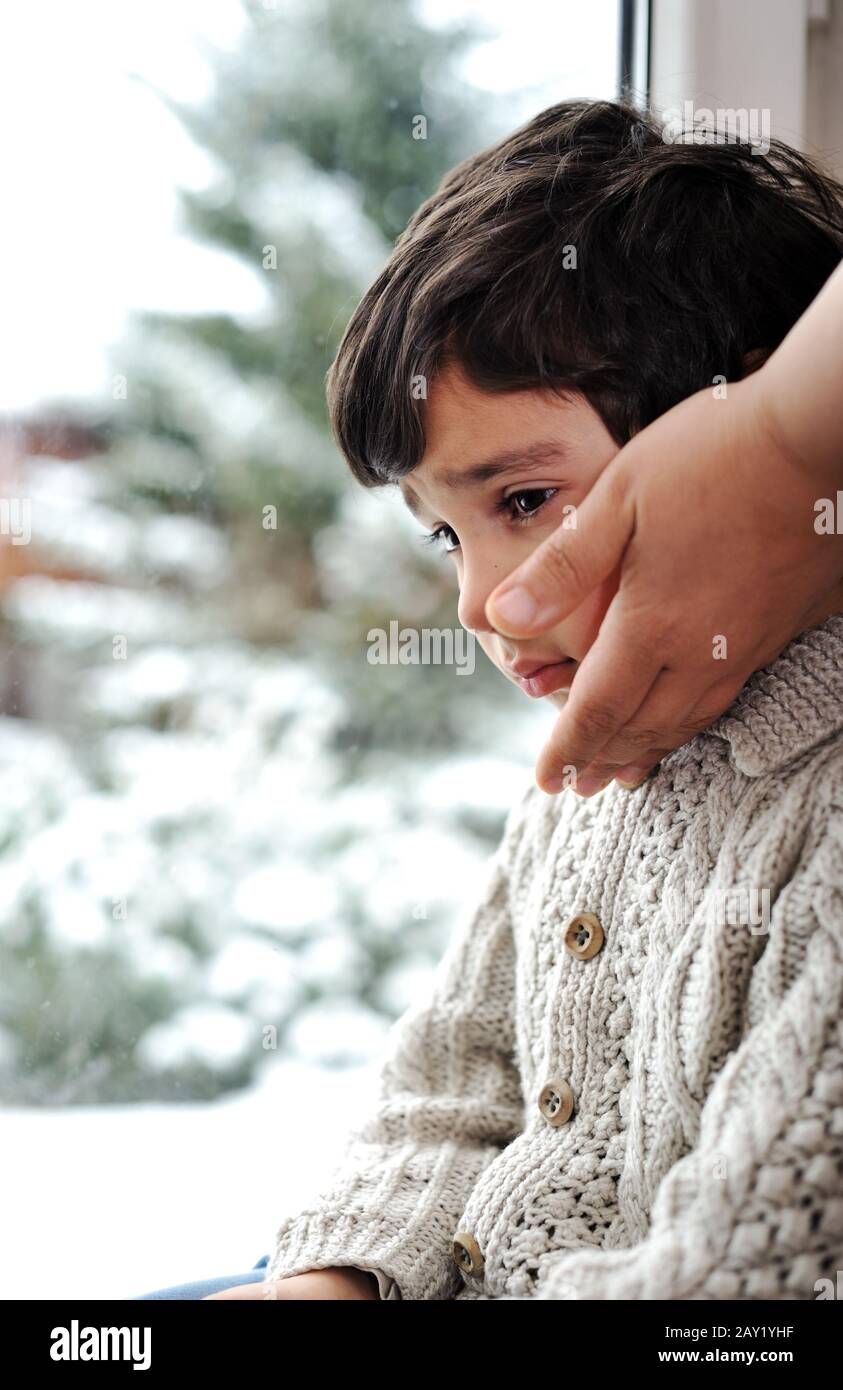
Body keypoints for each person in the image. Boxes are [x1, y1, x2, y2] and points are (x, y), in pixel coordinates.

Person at [134, 99, 843, 1301]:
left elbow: (739, 1282)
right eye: (442, 539)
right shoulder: (591, 771)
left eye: (521, 502)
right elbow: (449, 1089)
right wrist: (340, 1278)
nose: (479, 602)